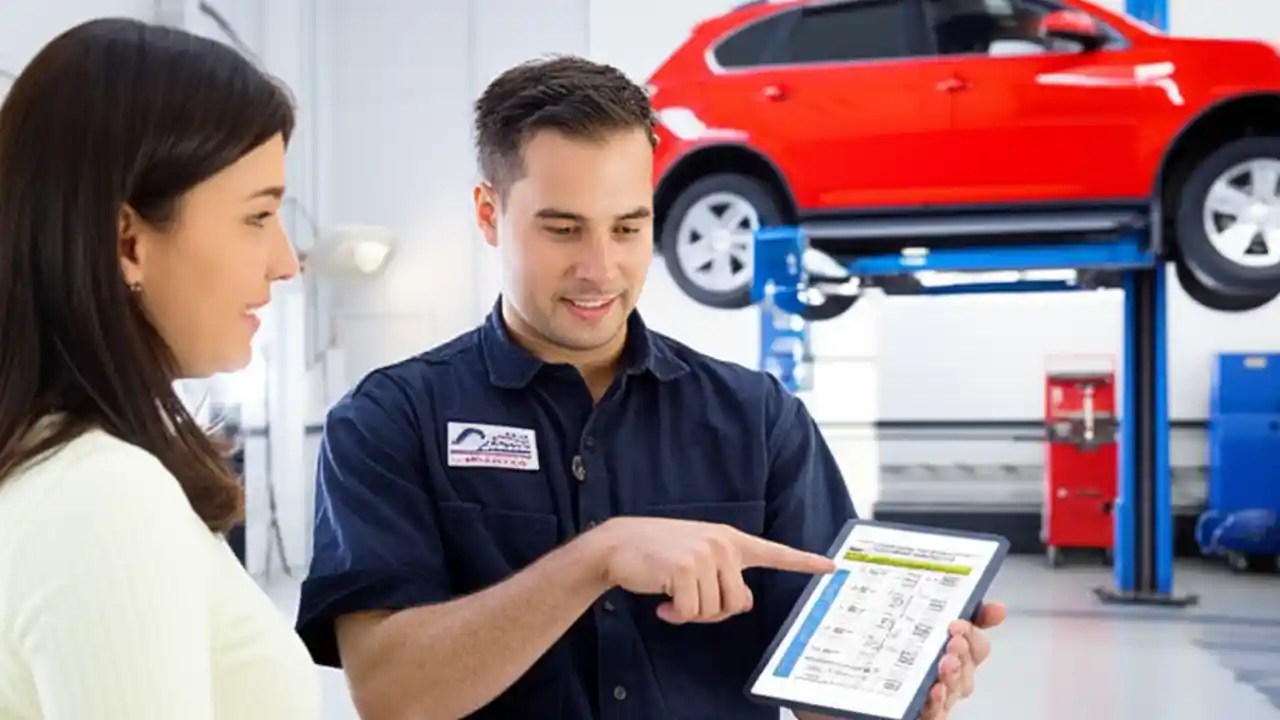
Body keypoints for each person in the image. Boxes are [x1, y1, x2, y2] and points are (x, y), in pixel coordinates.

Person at [296, 55, 1005, 720]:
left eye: (628, 226)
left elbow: (822, 691)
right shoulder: (391, 421)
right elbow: (391, 694)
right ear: (489, 214)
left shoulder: (759, 421)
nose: (600, 268)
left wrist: (908, 683)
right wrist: (595, 560)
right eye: (564, 229)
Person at [0, 18, 321, 720]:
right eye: (257, 216)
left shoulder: (53, 468)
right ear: (128, 241)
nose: (286, 261)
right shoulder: (103, 498)